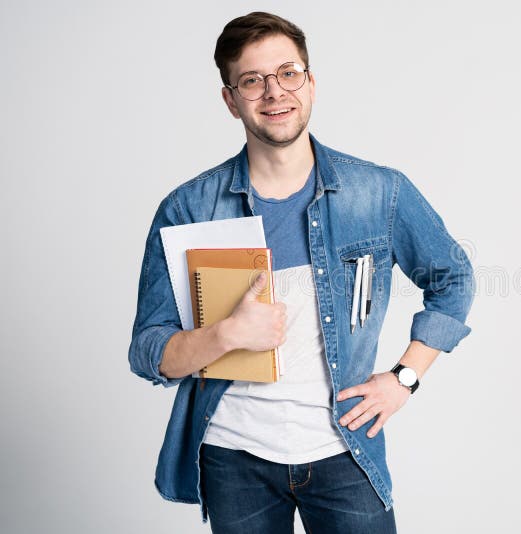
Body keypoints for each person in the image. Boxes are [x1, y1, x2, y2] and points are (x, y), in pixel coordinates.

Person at [128, 11, 474, 534]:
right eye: (252, 80)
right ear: (230, 99)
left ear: (310, 83)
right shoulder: (189, 209)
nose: (274, 92)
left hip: (343, 448)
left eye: (288, 73)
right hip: (232, 457)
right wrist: (225, 335)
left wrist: (404, 379)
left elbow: (454, 278)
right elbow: (149, 350)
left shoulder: (378, 193)